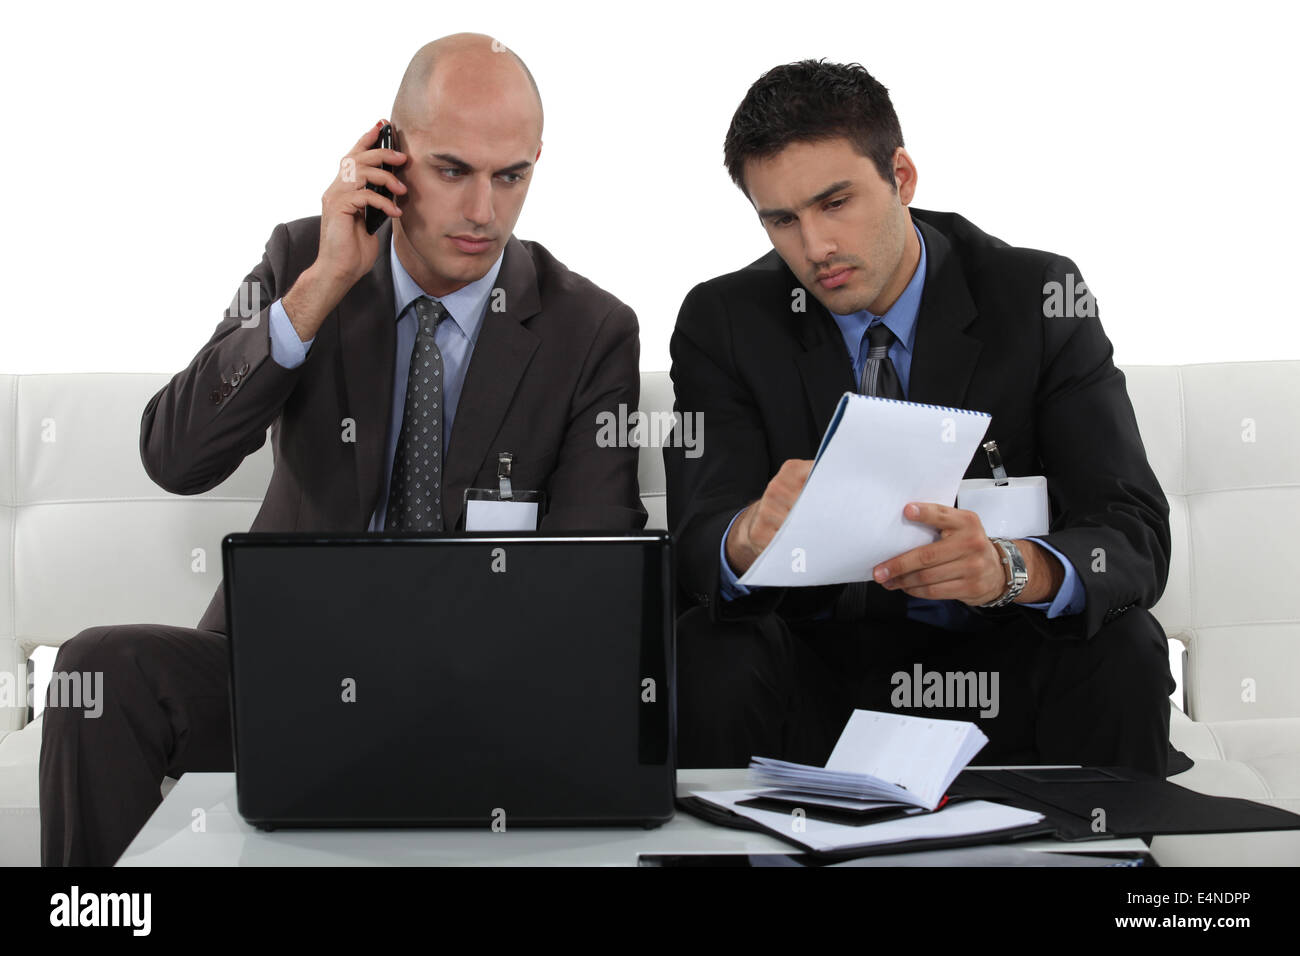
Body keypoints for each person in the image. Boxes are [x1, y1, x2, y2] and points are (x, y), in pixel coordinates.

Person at [40, 33, 645, 866]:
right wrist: (320, 289)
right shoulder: (303, 260)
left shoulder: (588, 330)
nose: (484, 213)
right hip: (282, 677)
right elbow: (175, 459)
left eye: (512, 176)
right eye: (452, 169)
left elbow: (596, 578)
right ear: (388, 155)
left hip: (476, 697)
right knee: (100, 671)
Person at [664, 59, 1188, 778]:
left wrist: (1012, 569)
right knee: (710, 645)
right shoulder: (723, 321)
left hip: (1003, 667)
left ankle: (1110, 862)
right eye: (782, 220)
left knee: (1125, 645)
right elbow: (697, 546)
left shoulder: (1036, 297)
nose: (814, 249)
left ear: (902, 177)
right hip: (823, 681)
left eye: (835, 202)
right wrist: (749, 536)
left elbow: (1133, 533)